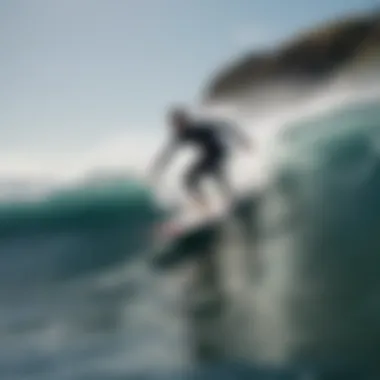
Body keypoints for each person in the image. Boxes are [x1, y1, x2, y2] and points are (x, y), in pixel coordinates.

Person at [150, 106, 252, 213]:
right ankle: (205, 206)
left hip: (219, 151)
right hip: (208, 155)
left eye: (178, 122)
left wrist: (242, 140)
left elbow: (226, 125)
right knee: (189, 180)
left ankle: (230, 201)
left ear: (185, 119)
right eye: (174, 124)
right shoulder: (180, 135)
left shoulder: (200, 126)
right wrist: (157, 170)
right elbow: (168, 154)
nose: (176, 126)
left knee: (215, 175)